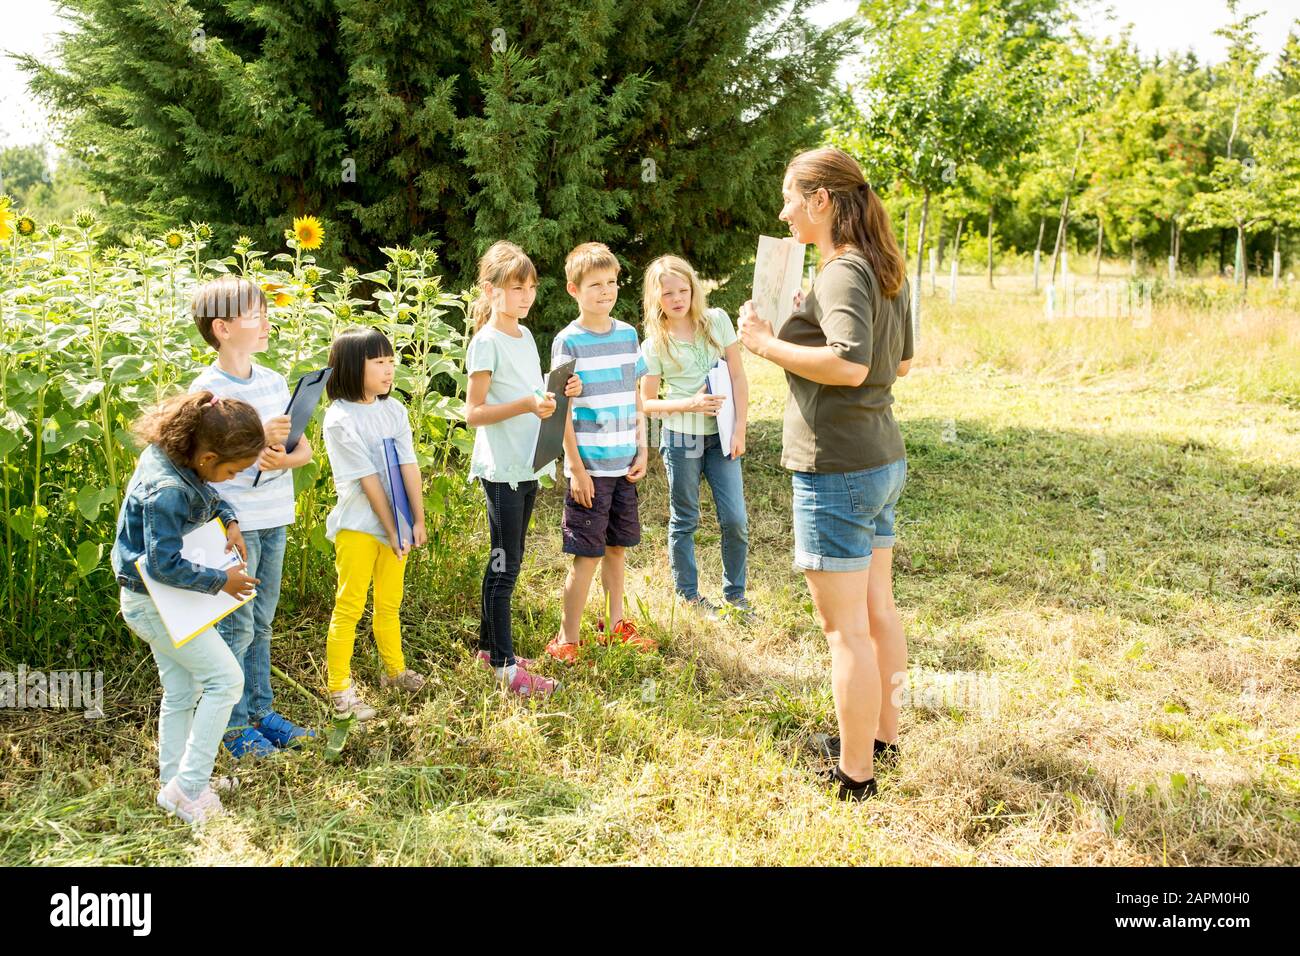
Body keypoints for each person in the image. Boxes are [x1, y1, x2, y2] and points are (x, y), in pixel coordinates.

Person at [738, 146, 913, 801]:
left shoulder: (842, 271)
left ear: (821, 201)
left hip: (837, 465)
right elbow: (898, 361)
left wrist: (763, 342)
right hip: (881, 459)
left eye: (791, 198)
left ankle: (855, 777)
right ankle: (883, 743)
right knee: (878, 613)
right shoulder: (885, 266)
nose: (783, 212)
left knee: (846, 633)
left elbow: (849, 365)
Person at [111, 391, 265, 824]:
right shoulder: (166, 490)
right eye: (231, 471)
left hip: (159, 601)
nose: (229, 479)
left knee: (182, 691)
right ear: (208, 455)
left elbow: (208, 492)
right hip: (152, 602)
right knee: (225, 680)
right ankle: (189, 787)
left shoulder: (178, 454)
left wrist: (230, 520)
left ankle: (175, 782)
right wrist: (223, 581)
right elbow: (163, 564)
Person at [188, 275, 317, 758]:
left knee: (261, 621)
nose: (267, 321)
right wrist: (256, 435)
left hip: (274, 511)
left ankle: (261, 710)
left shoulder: (273, 380)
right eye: (254, 315)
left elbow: (299, 447)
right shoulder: (207, 389)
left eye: (266, 312)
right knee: (235, 624)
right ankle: (233, 724)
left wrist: (284, 457)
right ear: (221, 328)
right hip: (234, 521)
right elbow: (203, 460)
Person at [465, 240, 581, 696]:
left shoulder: (527, 336)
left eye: (531, 287)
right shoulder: (486, 343)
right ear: (491, 291)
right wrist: (525, 404)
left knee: (505, 558)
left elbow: (537, 395)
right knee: (505, 565)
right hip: (500, 470)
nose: (527, 296)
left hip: (527, 464)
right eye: (516, 288)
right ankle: (506, 669)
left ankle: (487, 647)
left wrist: (560, 390)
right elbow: (473, 412)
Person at [545, 242, 656, 663]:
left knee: (616, 549)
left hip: (624, 464)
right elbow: (562, 411)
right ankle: (566, 639)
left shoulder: (628, 335)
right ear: (574, 290)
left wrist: (642, 447)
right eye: (595, 285)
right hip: (589, 467)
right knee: (586, 555)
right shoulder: (568, 341)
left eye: (611, 283)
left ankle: (615, 626)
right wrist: (575, 468)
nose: (605, 291)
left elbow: (636, 396)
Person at [321, 327, 429, 720]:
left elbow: (408, 465)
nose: (389, 369)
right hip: (359, 527)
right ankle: (339, 689)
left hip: (396, 524)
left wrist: (416, 519)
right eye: (378, 362)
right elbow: (368, 481)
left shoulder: (394, 410)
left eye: (390, 360)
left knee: (389, 602)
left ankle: (395, 671)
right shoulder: (339, 419)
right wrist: (391, 528)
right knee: (349, 605)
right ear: (352, 366)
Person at [639, 254, 751, 621]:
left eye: (683, 289)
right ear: (656, 298)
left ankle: (736, 596)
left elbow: (737, 375)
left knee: (734, 519)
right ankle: (688, 595)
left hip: (722, 437)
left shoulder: (715, 321)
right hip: (682, 440)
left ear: (693, 289)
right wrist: (690, 403)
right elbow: (647, 402)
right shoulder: (655, 343)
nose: (677, 298)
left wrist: (739, 429)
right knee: (684, 518)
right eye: (667, 293)